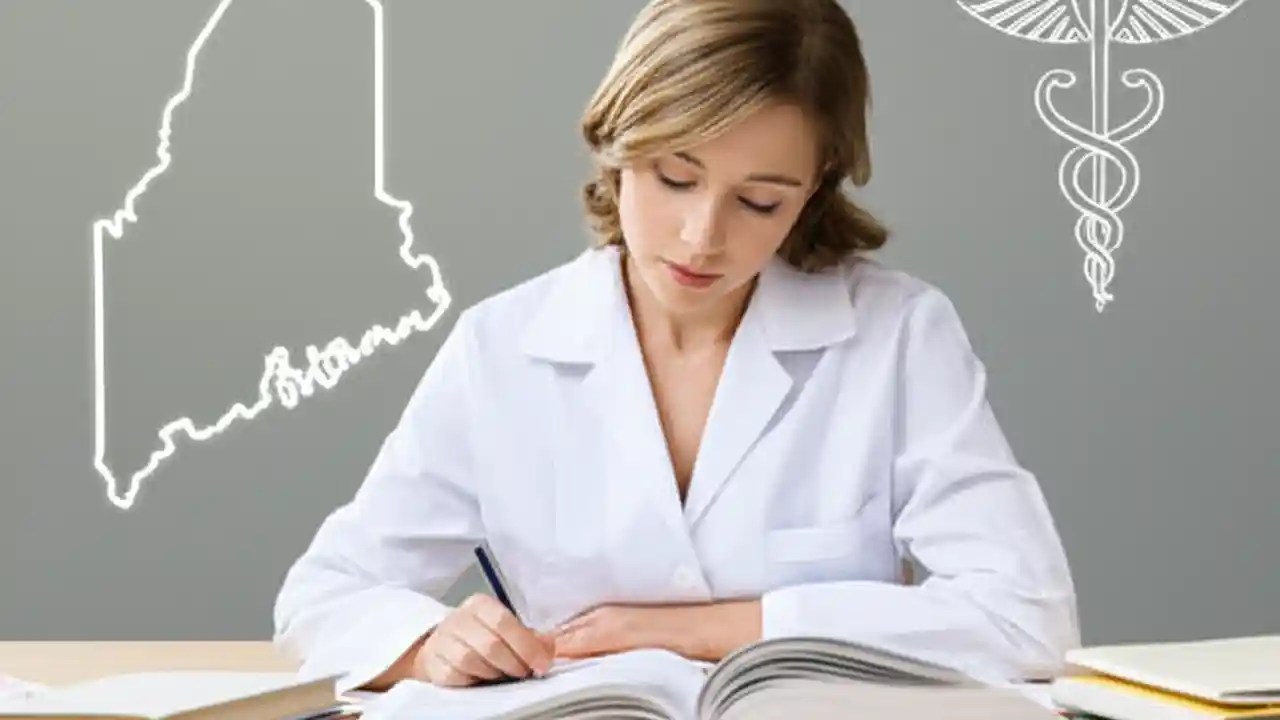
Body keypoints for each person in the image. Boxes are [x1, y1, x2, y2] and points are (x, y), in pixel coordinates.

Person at [272, 0, 1080, 695]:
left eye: (760, 202)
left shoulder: (899, 334)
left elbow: (1026, 614)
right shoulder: (502, 347)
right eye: (674, 179)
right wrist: (427, 647)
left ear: (817, 185)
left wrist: (714, 629)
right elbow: (325, 596)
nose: (703, 239)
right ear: (617, 146)